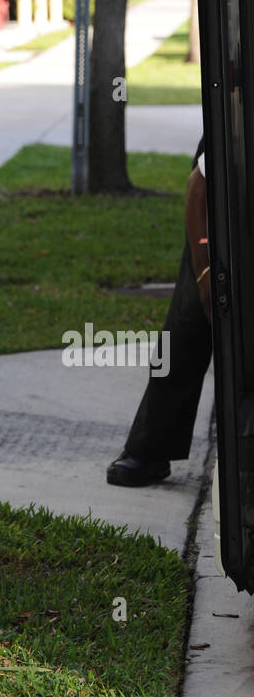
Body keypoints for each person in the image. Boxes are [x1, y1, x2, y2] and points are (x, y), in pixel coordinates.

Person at [107, 136, 211, 486]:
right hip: (220, 218)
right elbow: (199, 185)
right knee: (189, 321)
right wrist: (204, 272)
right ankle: (150, 448)